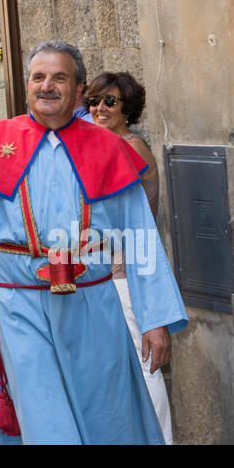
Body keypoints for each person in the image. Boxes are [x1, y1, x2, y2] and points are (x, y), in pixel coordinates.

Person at [0, 40, 187, 444]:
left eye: (59, 77)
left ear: (79, 90)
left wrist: (154, 321)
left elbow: (140, 235)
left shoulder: (110, 148)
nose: (47, 86)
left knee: (107, 417)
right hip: (18, 303)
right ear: (26, 86)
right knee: (44, 420)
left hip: (93, 304)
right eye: (38, 77)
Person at [86, 70, 172, 443]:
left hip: (125, 272)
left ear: (127, 109)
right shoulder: (103, 143)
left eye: (110, 102)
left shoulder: (129, 147)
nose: (99, 109)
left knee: (144, 364)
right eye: (93, 101)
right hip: (106, 270)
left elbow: (94, 212)